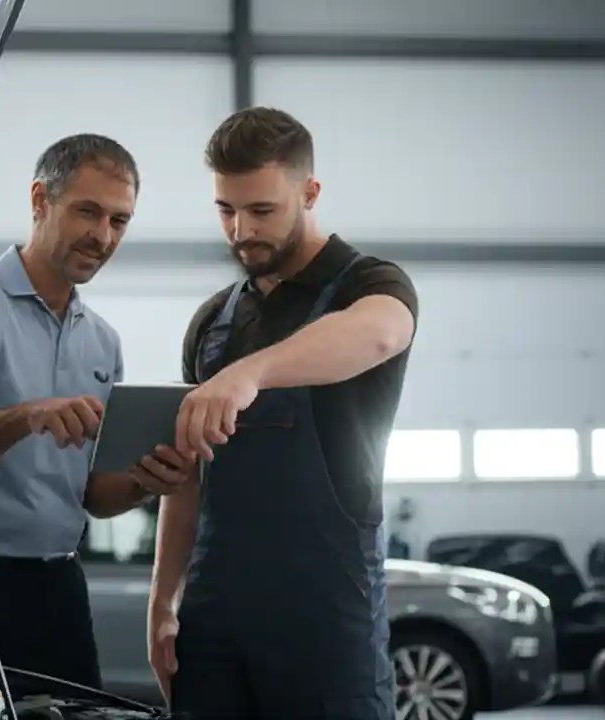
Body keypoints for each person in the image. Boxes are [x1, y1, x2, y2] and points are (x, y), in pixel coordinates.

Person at [147, 107, 420, 718]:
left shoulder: (369, 285)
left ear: (310, 192)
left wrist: (251, 373)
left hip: (326, 621)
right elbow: (187, 477)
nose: (241, 230)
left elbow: (379, 334)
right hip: (215, 621)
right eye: (226, 210)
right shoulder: (212, 323)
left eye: (262, 211)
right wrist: (164, 603)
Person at [0, 133, 195, 688]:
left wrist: (148, 482)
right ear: (40, 200)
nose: (102, 235)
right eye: (87, 212)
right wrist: (26, 416)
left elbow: (92, 497)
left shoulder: (102, 342)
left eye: (119, 221)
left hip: (58, 584)